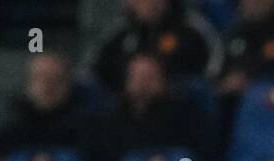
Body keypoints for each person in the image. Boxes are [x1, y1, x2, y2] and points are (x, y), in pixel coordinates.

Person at [91, 0, 222, 92]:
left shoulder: (191, 29)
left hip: (179, 105)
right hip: (127, 110)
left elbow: (213, 65)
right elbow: (97, 70)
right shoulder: (120, 33)